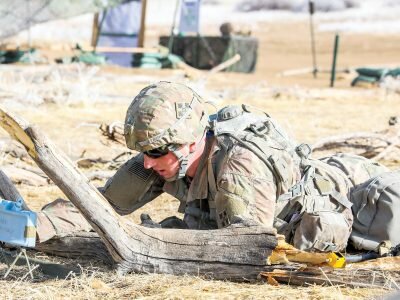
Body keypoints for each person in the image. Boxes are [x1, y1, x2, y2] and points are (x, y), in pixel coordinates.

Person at [36, 81, 389, 253]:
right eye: (143, 150)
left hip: (358, 191)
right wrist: (33, 227)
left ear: (192, 140)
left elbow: (247, 247)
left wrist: (149, 238)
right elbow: (98, 204)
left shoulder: (238, 168)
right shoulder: (162, 157)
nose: (147, 161)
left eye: (156, 151)